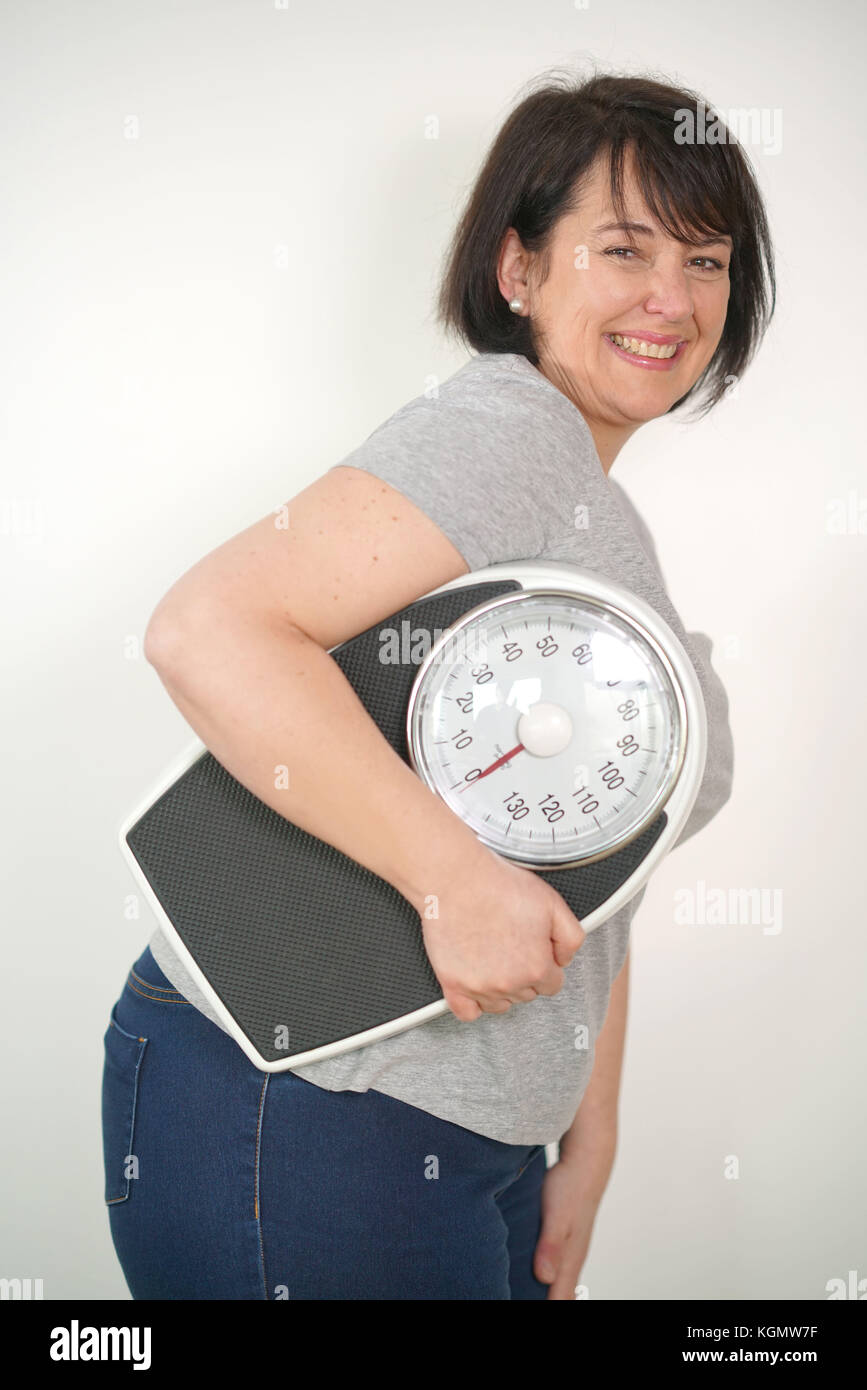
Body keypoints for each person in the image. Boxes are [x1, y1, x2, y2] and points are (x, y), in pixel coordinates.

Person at [101, 68, 774, 1300]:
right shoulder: (510, 433)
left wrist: (587, 1131)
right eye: (624, 249)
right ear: (518, 271)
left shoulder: (586, 501)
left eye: (708, 260)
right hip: (312, 1112)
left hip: (469, 1135)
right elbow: (208, 629)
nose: (672, 300)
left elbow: (590, 860)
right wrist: (452, 877)